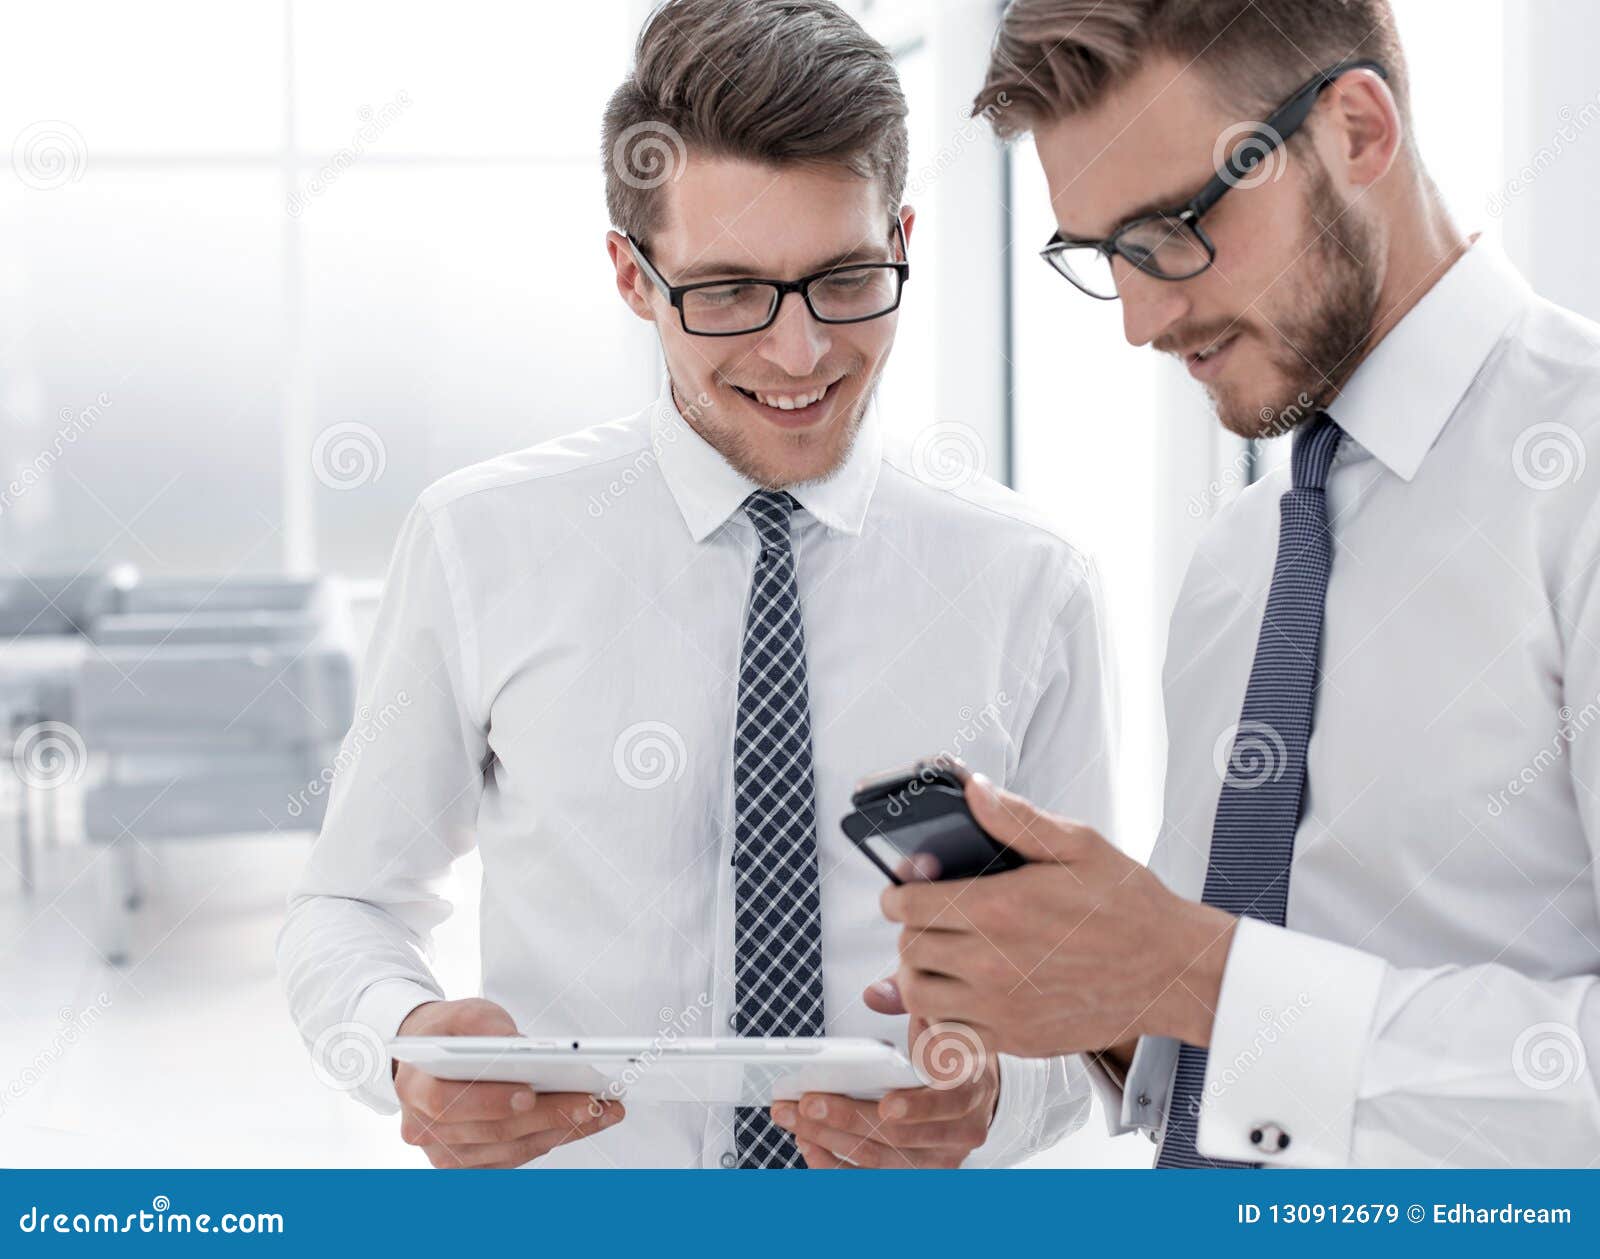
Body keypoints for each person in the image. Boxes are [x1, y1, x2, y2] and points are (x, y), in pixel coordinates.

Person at [277, 0, 1115, 1170]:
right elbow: (347, 904)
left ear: (905, 242)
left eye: (844, 279)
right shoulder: (482, 540)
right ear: (632, 275)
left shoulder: (1031, 582)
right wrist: (404, 1038)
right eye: (726, 292)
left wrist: (989, 1101)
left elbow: (1090, 1002)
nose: (798, 353)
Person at [879, 0, 1600, 1167]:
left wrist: (1190, 970)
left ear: (1357, 130)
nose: (1141, 317)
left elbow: (1229, 986)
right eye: (1102, 253)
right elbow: (1250, 1040)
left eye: (1170, 226)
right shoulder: (1242, 557)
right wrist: (1088, 1002)